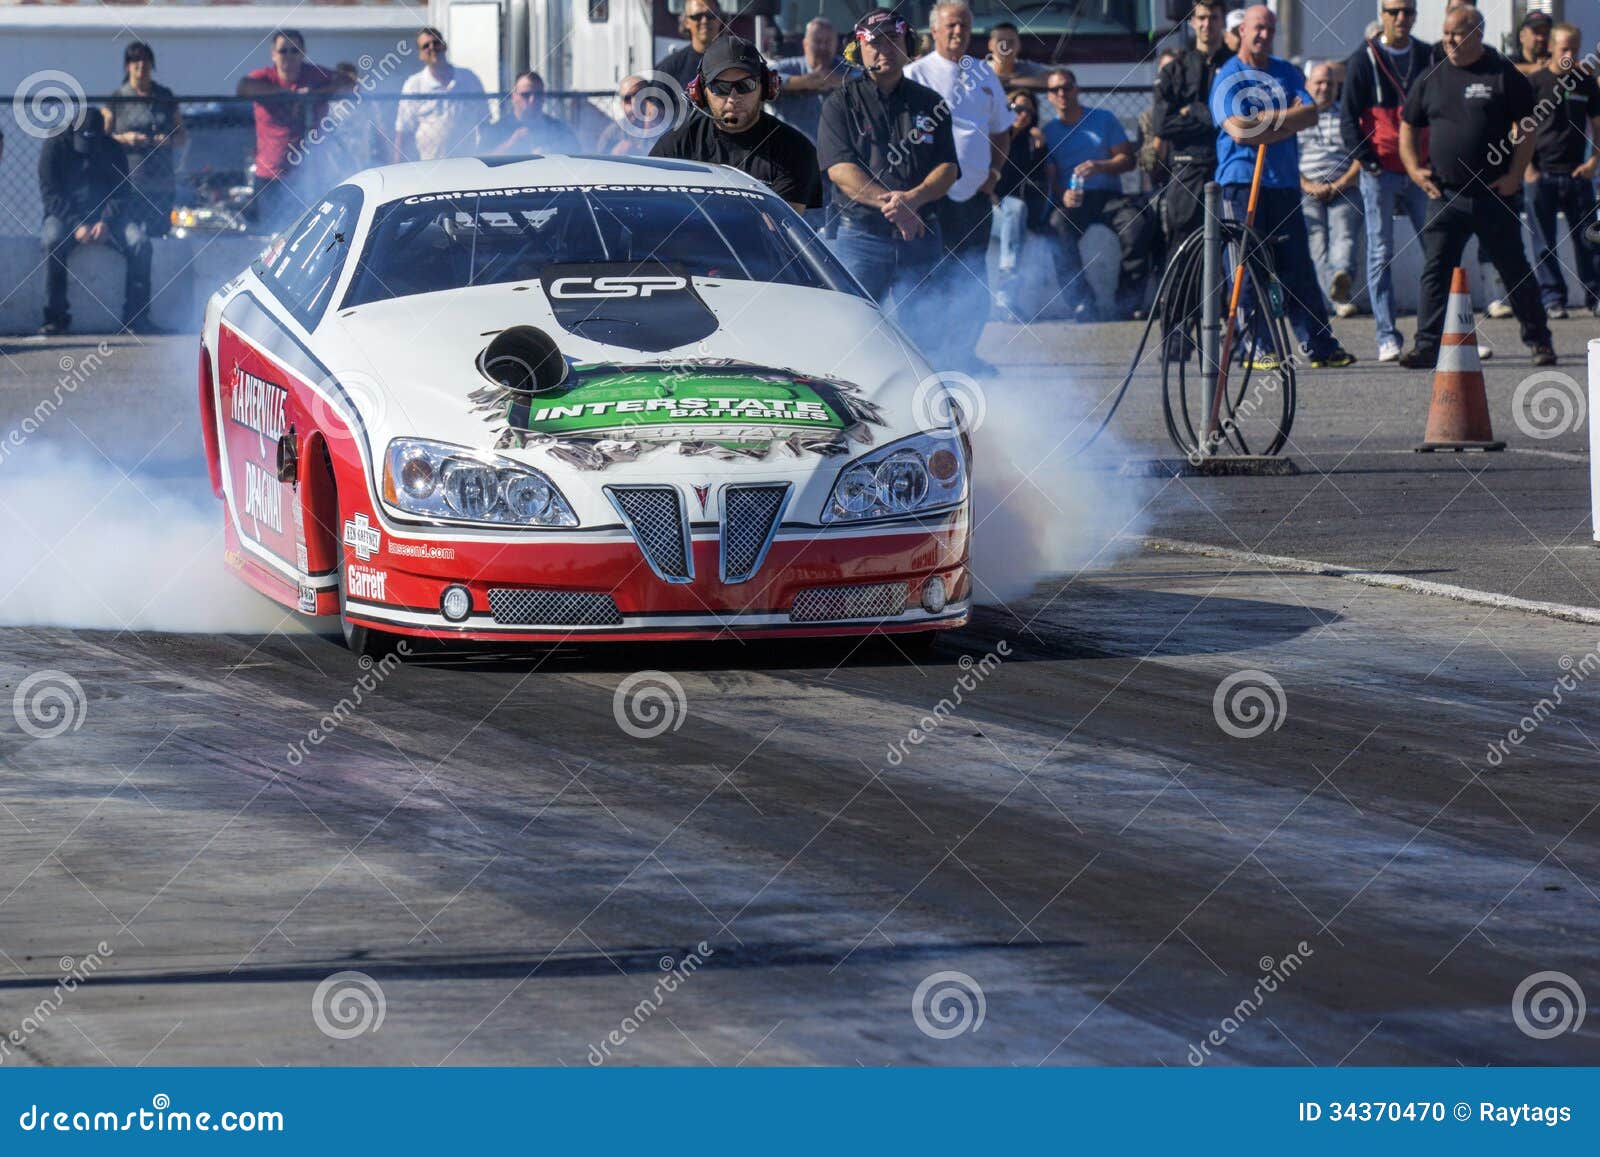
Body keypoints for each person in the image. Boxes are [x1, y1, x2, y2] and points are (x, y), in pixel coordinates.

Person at [1398, 5, 1554, 367]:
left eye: (1457, 33)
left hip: (1493, 195)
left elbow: (1527, 127)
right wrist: (1413, 168)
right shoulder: (1432, 75)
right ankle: (1426, 346)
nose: (1449, 40)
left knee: (1515, 270)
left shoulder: (1502, 73)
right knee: (1435, 273)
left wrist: (1516, 174)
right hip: (1444, 194)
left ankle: (1539, 341)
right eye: (1446, 33)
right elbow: (1408, 123)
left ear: (1477, 34)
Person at [1210, 5, 1356, 368]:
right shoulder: (1228, 76)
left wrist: (1264, 119)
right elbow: (1240, 132)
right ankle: (1254, 347)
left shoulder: (1287, 72)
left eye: (1270, 30)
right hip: (1242, 183)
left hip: (1284, 182)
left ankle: (1319, 346)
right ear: (1241, 31)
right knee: (1246, 269)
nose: (1264, 35)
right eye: (1257, 28)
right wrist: (1282, 120)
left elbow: (1309, 114)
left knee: (1298, 268)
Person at [816, 9, 958, 342]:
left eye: (892, 40)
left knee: (928, 339)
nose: (884, 49)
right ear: (858, 49)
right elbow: (840, 170)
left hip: (920, 238)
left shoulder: (931, 102)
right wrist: (896, 207)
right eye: (874, 42)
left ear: (907, 45)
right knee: (852, 337)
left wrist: (914, 200)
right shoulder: (839, 103)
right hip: (858, 239)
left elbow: (948, 167)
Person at [905, 0, 1012, 375]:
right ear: (933, 30)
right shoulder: (916, 74)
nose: (958, 32)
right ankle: (931, 359)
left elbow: (1002, 130)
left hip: (975, 199)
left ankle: (964, 353)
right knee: (933, 280)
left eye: (964, 25)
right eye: (951, 25)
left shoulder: (985, 74)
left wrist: (994, 175)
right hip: (934, 199)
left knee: (974, 282)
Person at [1341, 0, 1432, 362]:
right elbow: (1348, 117)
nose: (1400, 19)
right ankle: (1386, 336)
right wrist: (1366, 160)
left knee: (1438, 248)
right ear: (1382, 15)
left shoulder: (1428, 55)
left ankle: (1443, 332)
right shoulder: (1363, 59)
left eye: (1407, 11)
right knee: (1380, 251)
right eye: (1393, 11)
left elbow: (1442, 108)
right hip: (1380, 170)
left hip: (1422, 168)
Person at [651, 36, 821, 215]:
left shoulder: (795, 150)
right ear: (700, 92)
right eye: (721, 87)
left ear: (766, 86)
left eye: (745, 84)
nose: (733, 98)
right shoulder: (675, 147)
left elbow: (778, 228)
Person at [1043, 68, 1157, 321]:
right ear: (1049, 96)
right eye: (1054, 89)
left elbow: (1128, 160)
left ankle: (1128, 302)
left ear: (1077, 89)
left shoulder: (1103, 119)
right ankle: (1082, 303)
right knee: (1057, 227)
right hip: (1074, 201)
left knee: (1136, 226)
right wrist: (1063, 196)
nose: (1062, 93)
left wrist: (1100, 166)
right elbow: (1050, 178)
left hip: (1109, 196)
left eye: (1067, 87)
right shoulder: (1048, 132)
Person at [38, 108, 154, 334]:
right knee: (52, 241)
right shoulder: (54, 146)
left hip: (108, 219)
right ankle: (55, 317)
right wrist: (75, 224)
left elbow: (122, 191)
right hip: (65, 217)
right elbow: (49, 193)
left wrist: (106, 222)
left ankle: (136, 319)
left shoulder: (112, 149)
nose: (88, 148)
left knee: (140, 243)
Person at [237, 30, 353, 231]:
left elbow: (348, 83)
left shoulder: (315, 75)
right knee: (272, 235)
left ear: (303, 53)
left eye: (294, 51)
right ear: (273, 54)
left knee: (313, 231)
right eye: (283, 51)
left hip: (310, 174)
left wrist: (316, 95)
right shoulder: (265, 78)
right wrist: (289, 95)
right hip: (271, 175)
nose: (289, 57)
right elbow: (244, 87)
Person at [1525, 23, 1600, 319]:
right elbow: (1520, 128)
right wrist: (1528, 168)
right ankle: (1552, 297)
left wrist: (1594, 160)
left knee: (1589, 240)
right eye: (1564, 48)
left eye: (1574, 48)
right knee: (1543, 243)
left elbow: (1597, 125)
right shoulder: (1535, 83)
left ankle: (1594, 296)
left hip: (1577, 174)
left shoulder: (1585, 83)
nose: (1569, 54)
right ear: (1552, 48)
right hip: (1541, 174)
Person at [1154, 1, 1231, 250]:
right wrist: (1214, 119)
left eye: (1213, 18)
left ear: (1223, 21)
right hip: (1186, 171)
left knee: (1232, 249)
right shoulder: (1174, 71)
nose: (1207, 24)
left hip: (1228, 169)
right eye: (1201, 18)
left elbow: (1245, 120)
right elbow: (1163, 126)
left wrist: (1194, 111)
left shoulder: (1236, 68)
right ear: (1192, 22)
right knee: (1184, 249)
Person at [102, 41, 185, 244]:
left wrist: (166, 141)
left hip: (161, 182)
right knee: (131, 237)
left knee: (160, 236)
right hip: (130, 181)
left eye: (145, 61)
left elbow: (181, 135)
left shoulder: (164, 96)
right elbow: (102, 138)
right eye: (135, 61)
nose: (141, 66)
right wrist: (125, 139)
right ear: (127, 66)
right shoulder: (117, 98)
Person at [1299, 60, 1362, 319]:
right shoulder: (1297, 117)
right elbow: (1287, 158)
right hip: (1306, 189)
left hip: (1344, 186)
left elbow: (1361, 156)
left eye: (1330, 83)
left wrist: (1340, 184)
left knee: (1343, 229)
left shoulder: (1347, 116)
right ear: (1307, 85)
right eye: (1319, 83)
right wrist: (1308, 186)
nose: (1324, 87)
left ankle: (1341, 277)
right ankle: (1336, 295)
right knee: (1315, 240)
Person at [993, 89, 1051, 321]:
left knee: (1016, 209)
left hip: (1015, 210)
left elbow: (1036, 183)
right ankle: (1007, 277)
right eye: (1018, 108)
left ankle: (1007, 292)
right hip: (989, 205)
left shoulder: (1030, 142)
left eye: (1028, 110)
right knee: (1014, 210)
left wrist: (1039, 150)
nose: (1023, 114)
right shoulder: (995, 136)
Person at [394, 27, 486, 161]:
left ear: (444, 46)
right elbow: (404, 132)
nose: (432, 48)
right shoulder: (414, 85)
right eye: (426, 46)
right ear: (420, 54)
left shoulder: (469, 79)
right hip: (429, 166)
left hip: (467, 164)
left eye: (436, 43)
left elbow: (485, 121)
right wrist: (398, 170)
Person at [773, 18, 857, 140]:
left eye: (828, 41)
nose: (822, 46)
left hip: (837, 154)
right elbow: (762, 78)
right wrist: (804, 82)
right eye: (817, 41)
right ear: (805, 44)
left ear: (836, 44)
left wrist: (838, 80)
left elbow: (867, 81)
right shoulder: (787, 66)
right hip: (791, 151)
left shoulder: (846, 68)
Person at [484, 71, 580, 155]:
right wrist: (511, 144)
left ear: (543, 97)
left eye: (538, 95)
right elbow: (481, 165)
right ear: (514, 96)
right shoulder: (496, 131)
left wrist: (552, 156)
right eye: (525, 95)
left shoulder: (560, 130)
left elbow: (577, 160)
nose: (532, 100)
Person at [656, 0, 726, 92]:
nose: (704, 21)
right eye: (697, 16)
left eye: (710, 15)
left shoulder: (739, 63)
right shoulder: (667, 70)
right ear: (686, 22)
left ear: (719, 19)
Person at [595, 75, 670, 156]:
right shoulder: (612, 133)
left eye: (639, 96)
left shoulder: (666, 128)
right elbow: (600, 163)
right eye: (627, 98)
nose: (634, 103)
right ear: (621, 104)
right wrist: (615, 154)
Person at [986, 22, 1049, 91]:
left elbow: (1052, 81)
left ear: (1019, 45)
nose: (1005, 47)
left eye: (1011, 42)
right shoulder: (978, 69)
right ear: (990, 45)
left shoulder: (1029, 69)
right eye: (1000, 41)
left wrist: (1007, 81)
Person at [1512, 10, 1553, 76]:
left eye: (1545, 33)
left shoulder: (1555, 60)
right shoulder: (1510, 62)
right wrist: (1530, 68)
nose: (1541, 38)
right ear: (1522, 36)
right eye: (1536, 32)